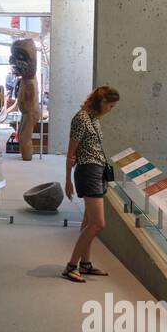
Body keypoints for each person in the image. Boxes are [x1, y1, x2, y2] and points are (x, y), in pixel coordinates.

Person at [61, 85, 121, 282]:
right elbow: (71, 154)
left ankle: (85, 264)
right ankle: (71, 266)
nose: (110, 110)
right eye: (110, 106)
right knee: (98, 223)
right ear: (102, 102)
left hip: (97, 171)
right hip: (88, 172)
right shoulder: (81, 119)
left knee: (88, 222)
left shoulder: (94, 118)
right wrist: (68, 179)